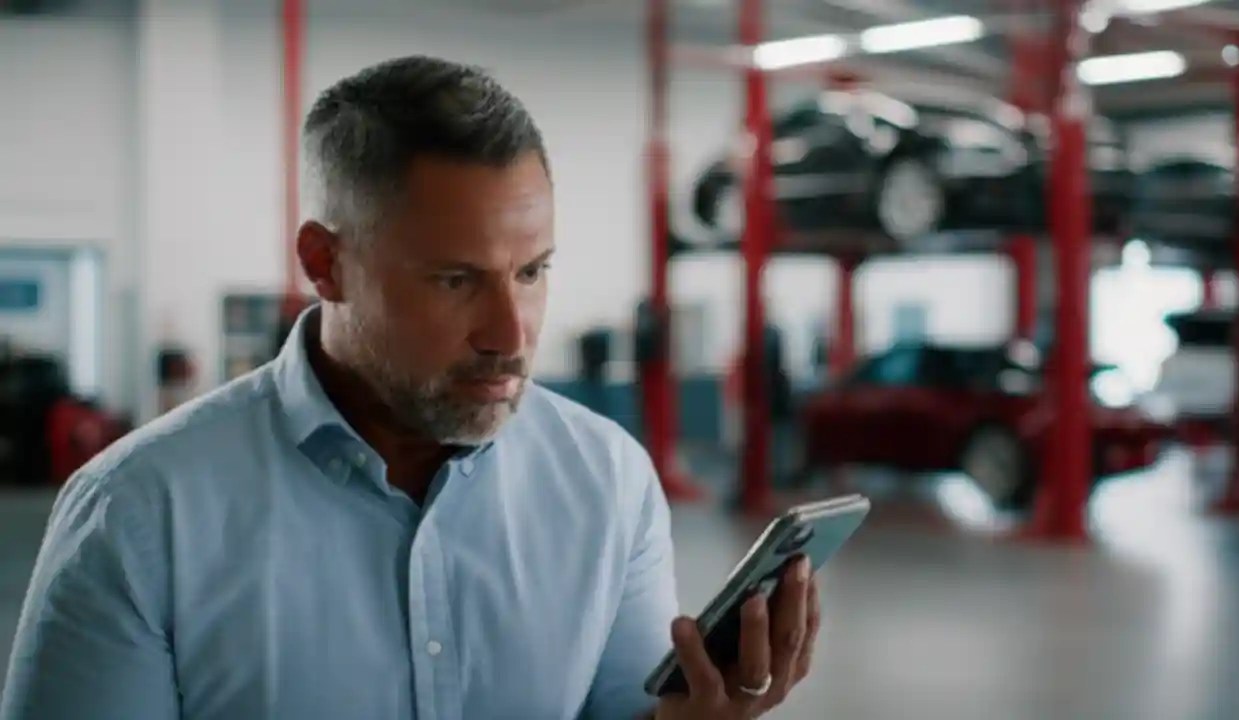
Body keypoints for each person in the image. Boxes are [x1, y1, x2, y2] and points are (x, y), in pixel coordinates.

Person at [0, 56, 820, 720]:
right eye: (455, 280)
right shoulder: (139, 512)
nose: (511, 332)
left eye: (532, 272)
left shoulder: (608, 481)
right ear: (325, 264)